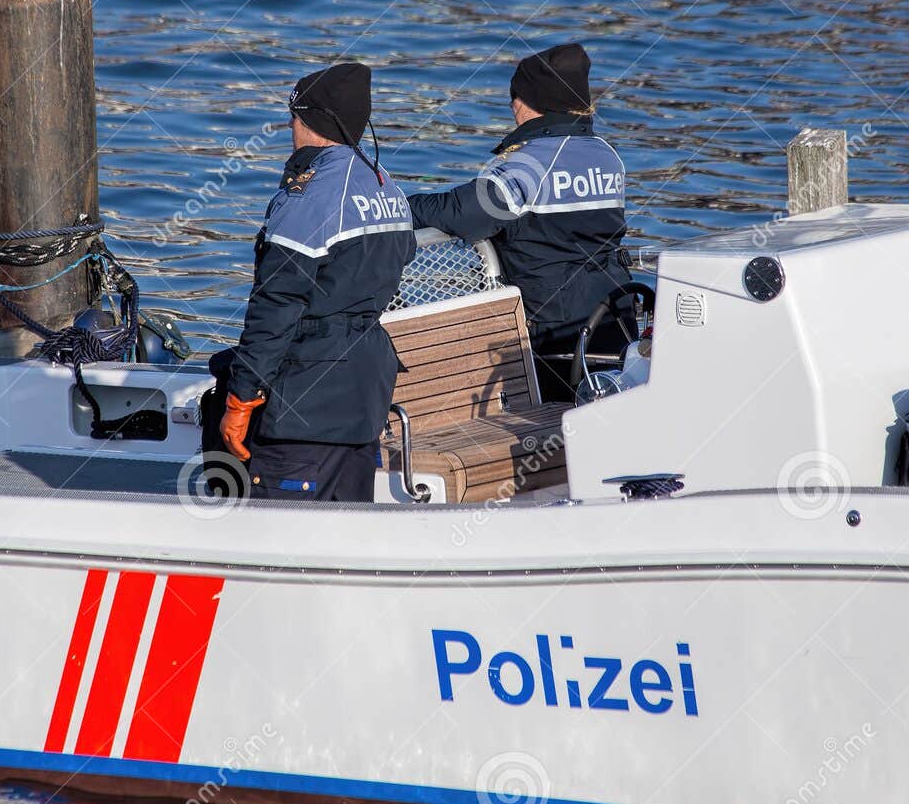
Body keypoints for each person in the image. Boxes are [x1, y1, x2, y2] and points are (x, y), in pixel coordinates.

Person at [216, 62, 416, 502]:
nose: (291, 127)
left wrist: (241, 399)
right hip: (364, 398)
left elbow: (275, 309)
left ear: (311, 122)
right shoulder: (389, 190)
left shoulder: (309, 196)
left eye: (294, 118)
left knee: (279, 544)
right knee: (348, 542)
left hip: (305, 403)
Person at [405, 43, 628, 400]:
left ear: (527, 103)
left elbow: (459, 212)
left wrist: (390, 209)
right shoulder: (606, 155)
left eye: (514, 97)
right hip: (613, 320)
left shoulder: (529, 163)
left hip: (553, 337)